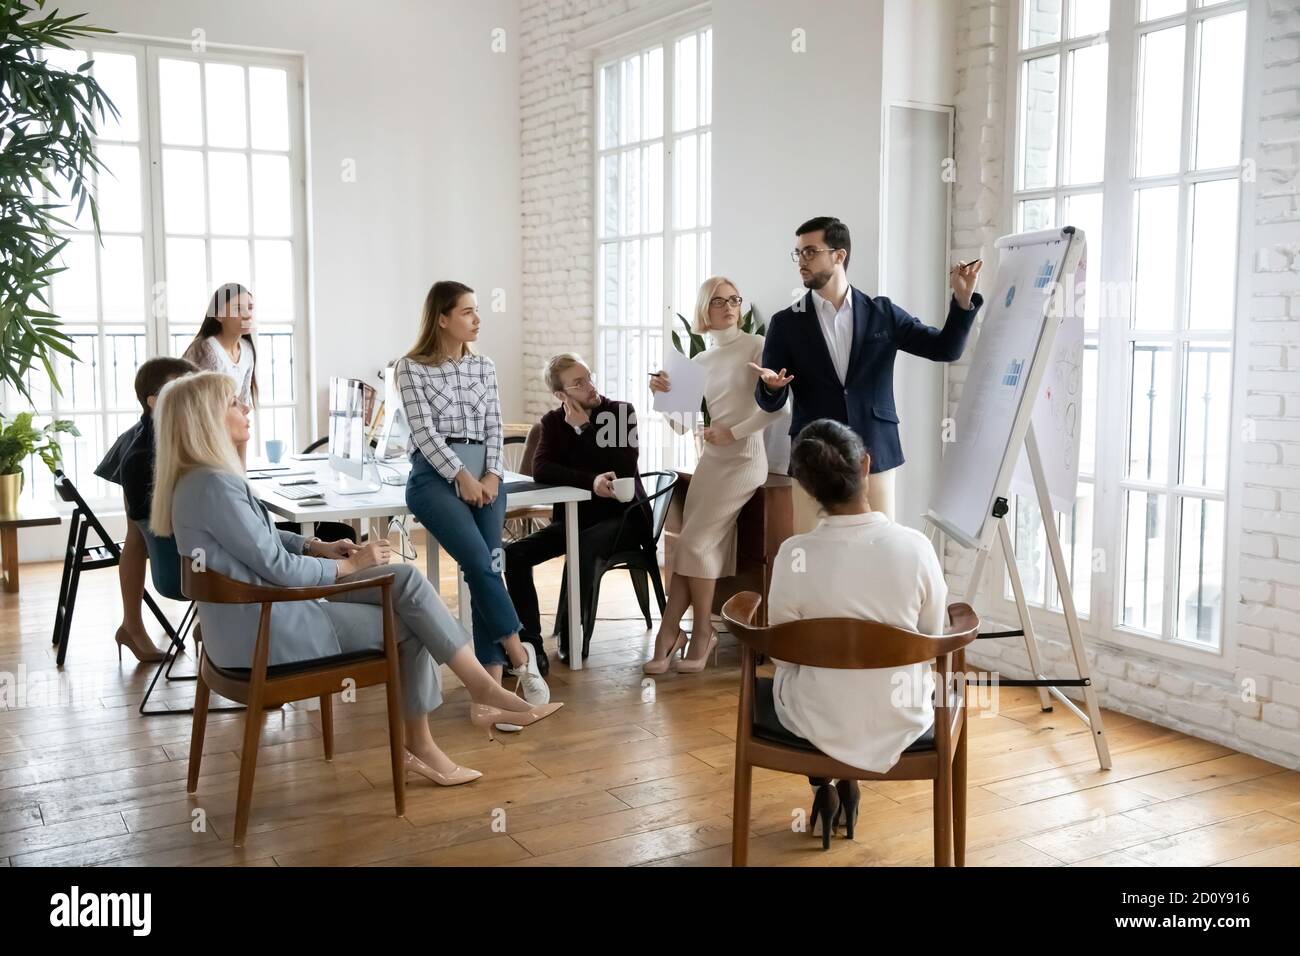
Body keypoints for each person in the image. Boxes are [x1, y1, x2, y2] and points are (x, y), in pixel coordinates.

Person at [151, 372, 560, 786]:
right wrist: (350, 565)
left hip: (248, 629)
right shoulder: (216, 485)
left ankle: (473, 698)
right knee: (411, 622)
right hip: (270, 634)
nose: (246, 408)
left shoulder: (200, 480)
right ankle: (455, 717)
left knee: (403, 579)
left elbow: (263, 539)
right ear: (206, 419)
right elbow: (279, 570)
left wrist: (318, 547)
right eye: (234, 404)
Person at [765, 419, 947, 836]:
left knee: (796, 682)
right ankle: (846, 779)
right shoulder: (915, 547)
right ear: (866, 465)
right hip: (903, 715)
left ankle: (824, 779)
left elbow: (780, 652)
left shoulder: (794, 554)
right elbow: (932, 636)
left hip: (815, 716)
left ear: (807, 489)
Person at [752, 216, 983, 530]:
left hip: (876, 448)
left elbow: (945, 349)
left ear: (839, 255)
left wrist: (962, 300)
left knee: (880, 547)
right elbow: (770, 402)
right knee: (812, 549)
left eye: (810, 252)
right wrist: (772, 388)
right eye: (798, 253)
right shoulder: (786, 323)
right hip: (813, 455)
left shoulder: (882, 313)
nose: (801, 262)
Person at [394, 280, 551, 710]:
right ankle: (521, 655)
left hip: (487, 474)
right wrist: (461, 475)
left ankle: (493, 684)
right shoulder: (410, 368)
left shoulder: (484, 366)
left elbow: (494, 426)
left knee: (489, 566)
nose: (477, 319)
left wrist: (495, 475)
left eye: (478, 310)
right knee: (481, 561)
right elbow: (424, 432)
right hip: (434, 477)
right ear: (441, 318)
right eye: (467, 312)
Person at [645, 276, 778, 673]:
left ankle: (696, 632)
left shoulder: (757, 346)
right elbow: (681, 426)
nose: (729, 306)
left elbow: (778, 407)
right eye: (719, 300)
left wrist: (732, 431)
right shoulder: (700, 361)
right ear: (705, 307)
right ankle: (678, 633)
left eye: (735, 299)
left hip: (745, 458)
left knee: (696, 542)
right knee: (690, 545)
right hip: (711, 461)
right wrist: (662, 395)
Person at [503, 352, 646, 669]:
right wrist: (590, 481)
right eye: (579, 383)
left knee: (580, 546)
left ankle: (572, 638)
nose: (590, 386)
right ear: (560, 394)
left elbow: (623, 465)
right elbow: (541, 469)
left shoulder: (622, 413)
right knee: (514, 555)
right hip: (574, 521)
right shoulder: (553, 423)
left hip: (624, 519)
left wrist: (585, 430)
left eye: (589, 377)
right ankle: (532, 644)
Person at [94, 356, 199, 662]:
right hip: (179, 567)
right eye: (181, 389)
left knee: (136, 536)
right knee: (138, 535)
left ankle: (132, 626)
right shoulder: (153, 451)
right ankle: (135, 626)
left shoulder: (148, 437)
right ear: (154, 401)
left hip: (136, 452)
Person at [183, 283, 259, 466]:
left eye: (249, 307)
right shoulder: (206, 349)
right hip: (202, 442)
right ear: (218, 315)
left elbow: (242, 414)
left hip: (225, 443)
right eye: (238, 309)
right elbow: (204, 413)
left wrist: (242, 470)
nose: (248, 315)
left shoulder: (247, 350)